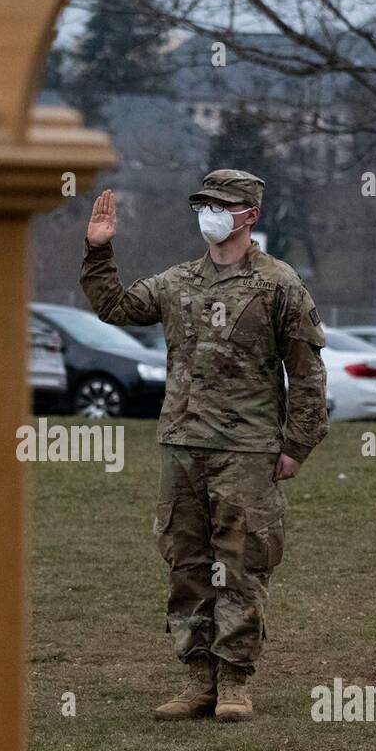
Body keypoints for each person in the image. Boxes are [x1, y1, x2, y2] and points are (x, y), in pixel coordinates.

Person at [80, 170, 328, 722]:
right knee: (186, 561)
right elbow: (118, 309)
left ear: (249, 214)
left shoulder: (278, 284)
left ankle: (235, 680)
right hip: (182, 444)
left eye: (221, 205)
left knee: (241, 563)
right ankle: (197, 679)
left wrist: (297, 444)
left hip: (246, 448)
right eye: (202, 204)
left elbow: (307, 373)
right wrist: (99, 252)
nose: (209, 213)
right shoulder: (177, 281)